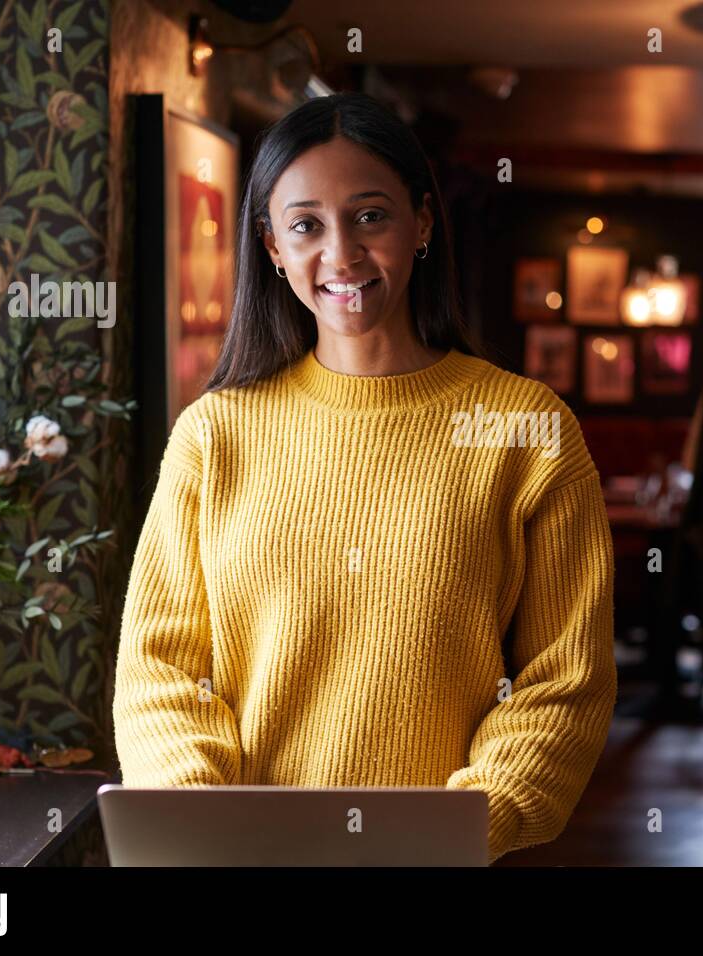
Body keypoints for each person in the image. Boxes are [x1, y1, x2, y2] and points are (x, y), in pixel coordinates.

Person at [112, 92, 617, 864]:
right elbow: (160, 670)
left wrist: (459, 830)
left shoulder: (527, 431)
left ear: (421, 222)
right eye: (307, 224)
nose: (341, 254)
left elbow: (564, 679)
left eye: (370, 215)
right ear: (271, 245)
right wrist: (203, 825)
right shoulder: (214, 437)